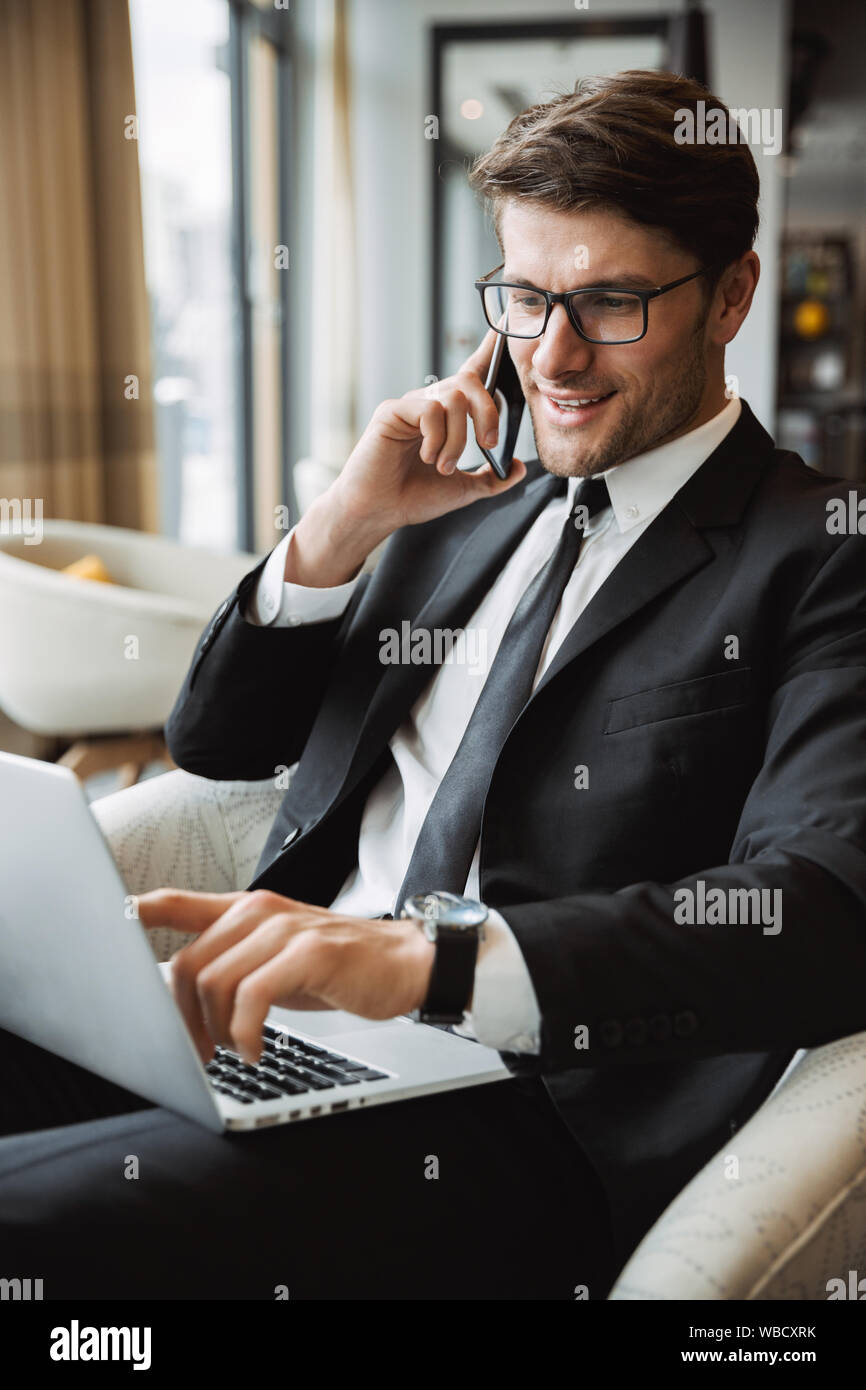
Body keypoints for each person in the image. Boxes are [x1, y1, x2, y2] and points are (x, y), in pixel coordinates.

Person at [3, 70, 865, 1301]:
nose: (551, 356)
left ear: (729, 293)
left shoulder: (821, 553)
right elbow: (216, 740)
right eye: (522, 297)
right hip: (276, 1034)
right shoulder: (454, 501)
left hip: (514, 1118)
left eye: (610, 303)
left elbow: (821, 907)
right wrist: (341, 525)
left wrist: (427, 961)